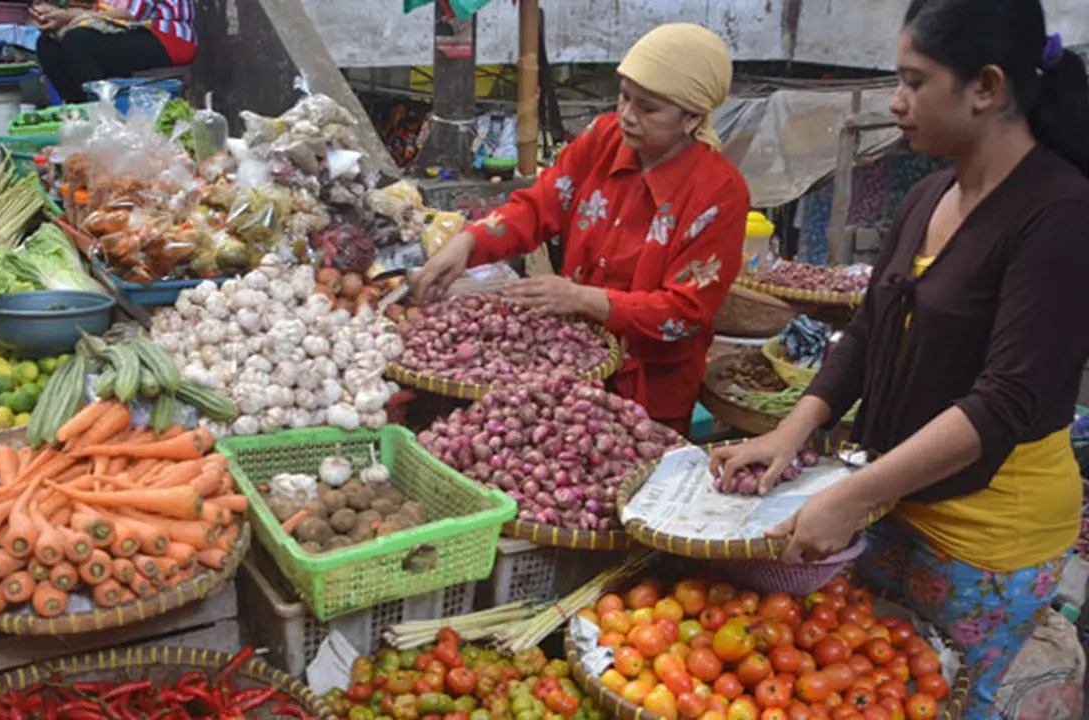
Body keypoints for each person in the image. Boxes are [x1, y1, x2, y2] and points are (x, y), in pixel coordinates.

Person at [711, 0, 1089, 713]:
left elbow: (1004, 400)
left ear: (986, 87)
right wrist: (791, 433)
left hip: (986, 531)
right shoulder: (928, 195)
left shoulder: (1061, 216)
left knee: (933, 698)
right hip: (895, 498)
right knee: (856, 688)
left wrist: (849, 497)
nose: (896, 101)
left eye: (915, 82)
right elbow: (867, 333)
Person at [412, 23, 750, 435]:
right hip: (568, 367)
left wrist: (578, 297)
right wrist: (468, 242)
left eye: (648, 108)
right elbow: (539, 206)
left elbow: (684, 312)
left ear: (693, 117)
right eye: (624, 96)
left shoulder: (720, 193)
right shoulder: (604, 138)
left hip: (648, 391)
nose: (627, 115)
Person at [32, 0, 197, 104]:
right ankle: (79, 110)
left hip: (166, 36)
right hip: (126, 31)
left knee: (78, 41)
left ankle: (100, 113)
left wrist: (70, 17)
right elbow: (99, 9)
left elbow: (132, 13)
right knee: (48, 43)